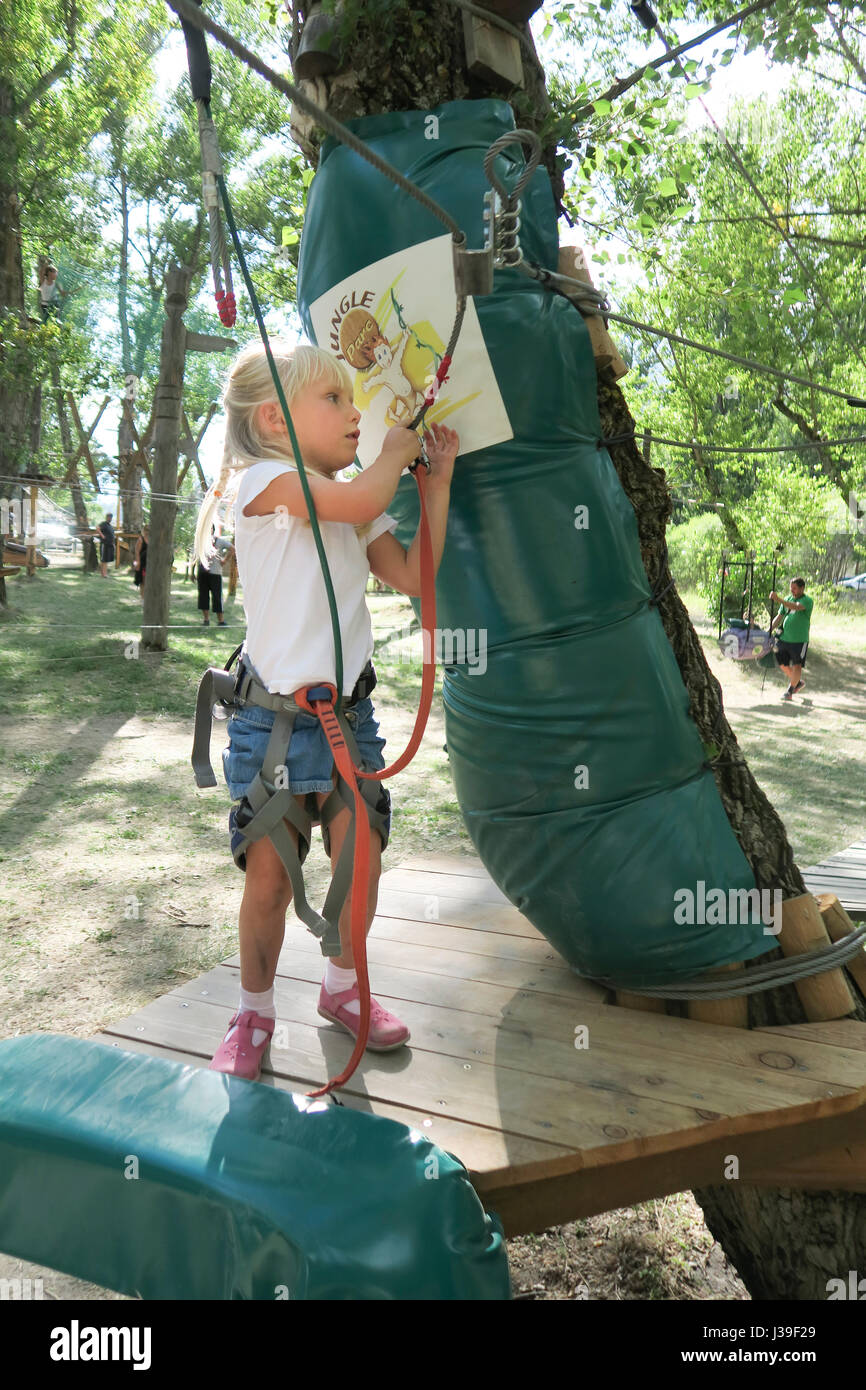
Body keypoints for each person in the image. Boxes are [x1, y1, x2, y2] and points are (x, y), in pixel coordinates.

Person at [195, 339, 457, 1080]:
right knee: (270, 879)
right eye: (335, 400)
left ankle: (344, 989)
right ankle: (253, 1011)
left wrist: (433, 486)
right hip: (272, 726)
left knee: (359, 863)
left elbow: (410, 575)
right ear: (276, 421)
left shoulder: (349, 500)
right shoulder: (265, 483)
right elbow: (367, 494)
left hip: (347, 720)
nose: (355, 414)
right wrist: (393, 454)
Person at [769, 577, 813, 700]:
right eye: (791, 588)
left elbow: (796, 607)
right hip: (784, 638)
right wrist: (769, 630)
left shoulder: (807, 601)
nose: (792, 590)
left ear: (802, 588)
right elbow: (779, 616)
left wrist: (778, 599)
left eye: (794, 588)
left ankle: (790, 691)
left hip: (799, 640)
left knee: (797, 665)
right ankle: (797, 682)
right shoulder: (788, 599)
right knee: (781, 662)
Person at [197, 525, 227, 626]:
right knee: (203, 597)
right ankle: (206, 620)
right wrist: (193, 572)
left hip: (215, 573)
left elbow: (232, 548)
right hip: (203, 572)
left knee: (217, 597)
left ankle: (221, 621)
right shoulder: (200, 541)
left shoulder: (219, 541)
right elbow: (196, 556)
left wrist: (224, 560)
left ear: (212, 530)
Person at [96, 513, 115, 577]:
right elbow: (97, 528)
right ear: (106, 517)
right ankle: (103, 574)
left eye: (111, 517)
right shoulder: (103, 524)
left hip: (109, 545)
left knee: (106, 560)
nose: (110, 518)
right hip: (104, 544)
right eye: (109, 517)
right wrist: (102, 536)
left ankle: (105, 574)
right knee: (103, 559)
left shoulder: (110, 526)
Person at [133, 525, 148, 595]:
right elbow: (136, 552)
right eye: (146, 530)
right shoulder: (140, 539)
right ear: (144, 531)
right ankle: (142, 597)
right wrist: (138, 563)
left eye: (149, 530)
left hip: (150, 563)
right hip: (142, 563)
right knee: (143, 581)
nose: (148, 532)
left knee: (148, 581)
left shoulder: (153, 539)